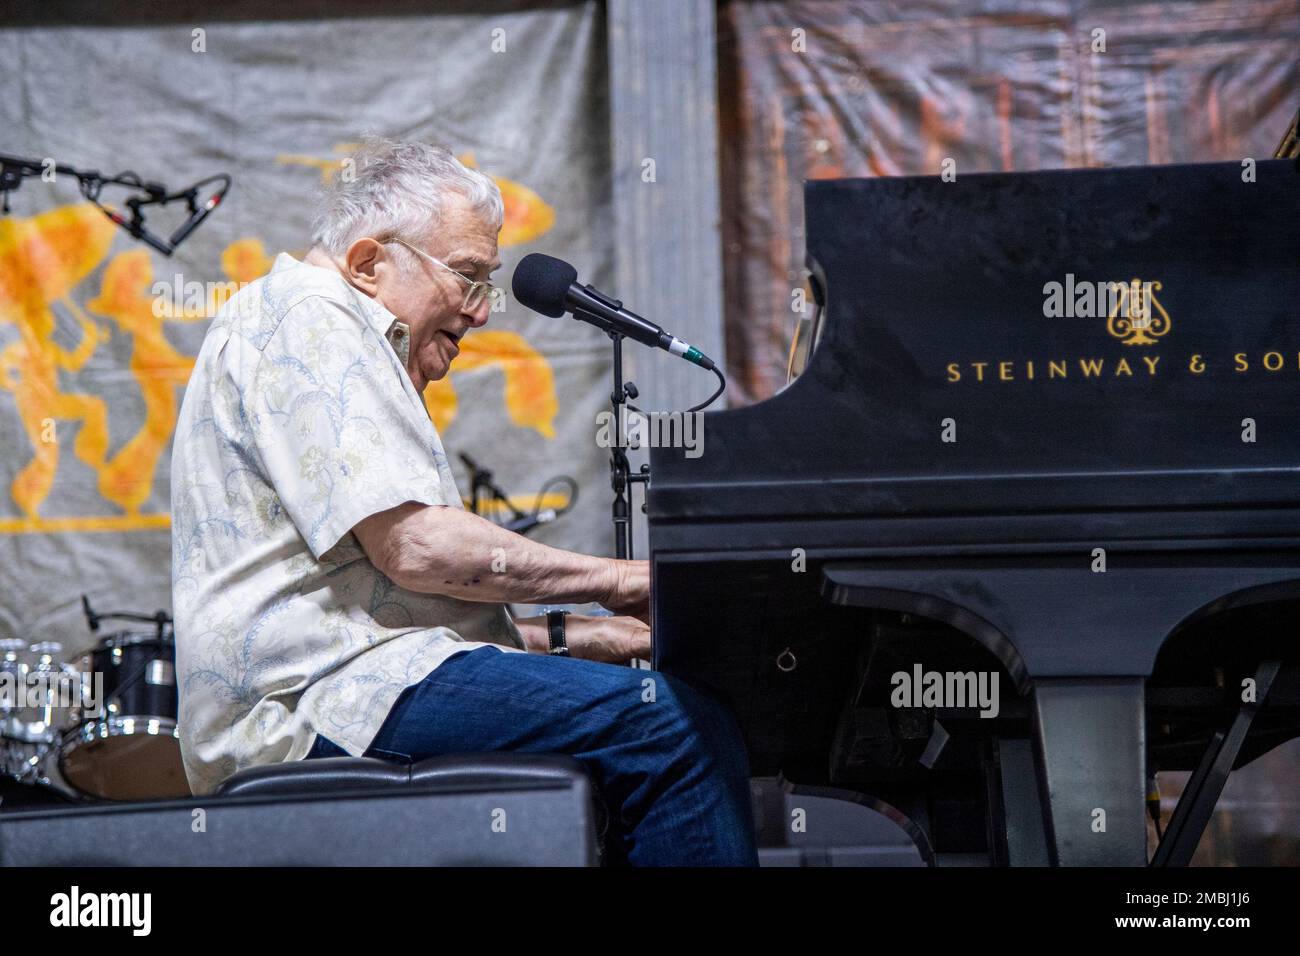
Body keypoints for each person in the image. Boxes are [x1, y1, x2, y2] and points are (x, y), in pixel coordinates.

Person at [169, 137, 757, 865]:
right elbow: (416, 549)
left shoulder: (297, 320)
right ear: (367, 263)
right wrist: (626, 582)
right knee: (671, 728)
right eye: (470, 277)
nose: (481, 312)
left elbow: (377, 612)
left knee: (647, 710)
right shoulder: (311, 313)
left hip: (339, 682)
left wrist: (589, 635)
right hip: (303, 706)